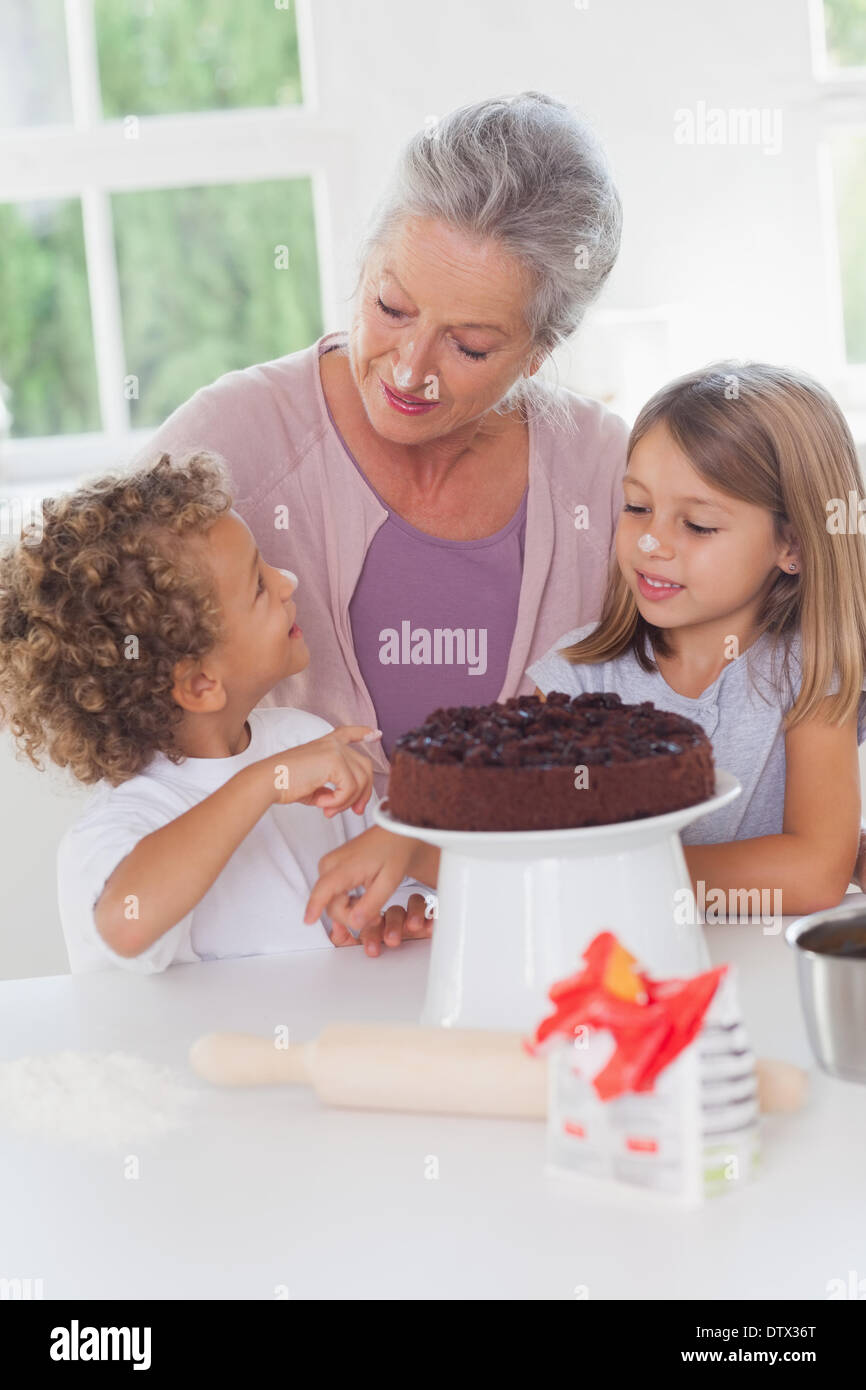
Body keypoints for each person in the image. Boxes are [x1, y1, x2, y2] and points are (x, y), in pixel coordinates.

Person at [129, 92, 628, 795]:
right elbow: (94, 666)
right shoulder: (228, 445)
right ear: (365, 265)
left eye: (471, 346)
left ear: (539, 353)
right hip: (287, 901)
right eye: (391, 308)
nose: (409, 369)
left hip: (540, 901)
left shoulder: (606, 475)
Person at [308, 362, 866, 929]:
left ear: (792, 544)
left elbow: (815, 873)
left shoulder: (812, 673)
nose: (651, 542)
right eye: (637, 507)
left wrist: (609, 876)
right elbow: (513, 843)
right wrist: (410, 862)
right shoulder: (581, 676)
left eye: (697, 525)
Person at [0, 453, 437, 972]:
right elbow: (126, 923)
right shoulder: (121, 825)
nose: (288, 581)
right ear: (202, 684)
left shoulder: (303, 740)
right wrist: (263, 783)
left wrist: (400, 869)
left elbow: (402, 877)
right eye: (258, 584)